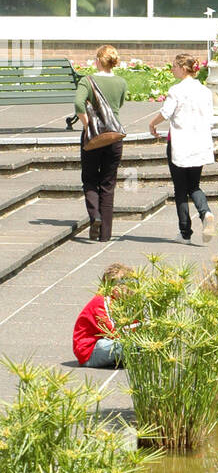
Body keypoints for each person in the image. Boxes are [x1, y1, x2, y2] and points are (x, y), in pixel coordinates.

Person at [149, 53, 216, 243]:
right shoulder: (205, 91)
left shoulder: (176, 90)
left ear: (182, 67)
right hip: (200, 143)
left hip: (180, 143)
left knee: (180, 188)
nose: (172, 69)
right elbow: (210, 117)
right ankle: (206, 213)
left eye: (174, 66)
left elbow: (166, 112)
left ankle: (185, 232)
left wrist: (152, 124)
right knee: (194, 185)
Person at [74, 44, 128, 242]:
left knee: (89, 179)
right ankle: (105, 234)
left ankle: (94, 215)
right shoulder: (121, 82)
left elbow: (78, 103)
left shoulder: (87, 81)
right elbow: (119, 104)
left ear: (98, 60)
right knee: (108, 183)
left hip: (93, 137)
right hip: (114, 137)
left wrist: (88, 125)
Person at [72, 263, 134, 369]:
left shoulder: (122, 302)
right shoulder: (101, 302)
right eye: (123, 283)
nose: (128, 288)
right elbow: (113, 331)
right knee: (127, 344)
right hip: (89, 352)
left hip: (106, 342)